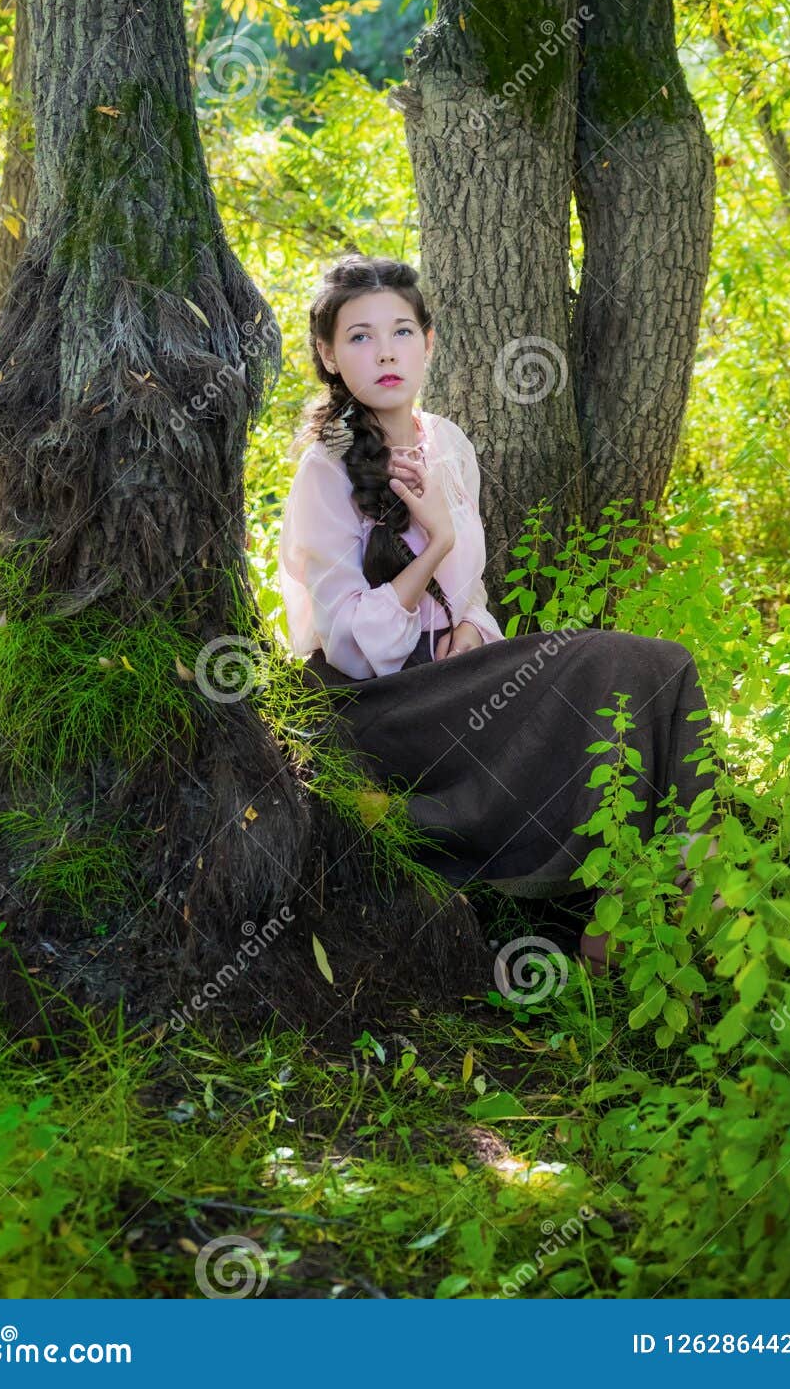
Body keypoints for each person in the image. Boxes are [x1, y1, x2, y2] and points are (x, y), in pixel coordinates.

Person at [277, 253, 721, 971]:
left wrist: (469, 632)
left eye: (400, 331)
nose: (384, 351)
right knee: (615, 663)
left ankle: (667, 887)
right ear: (327, 355)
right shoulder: (323, 471)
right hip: (377, 707)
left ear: (429, 340)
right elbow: (354, 648)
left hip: (458, 674)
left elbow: (473, 592)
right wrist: (436, 543)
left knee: (653, 672)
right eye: (358, 337)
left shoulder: (447, 443)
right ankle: (632, 903)